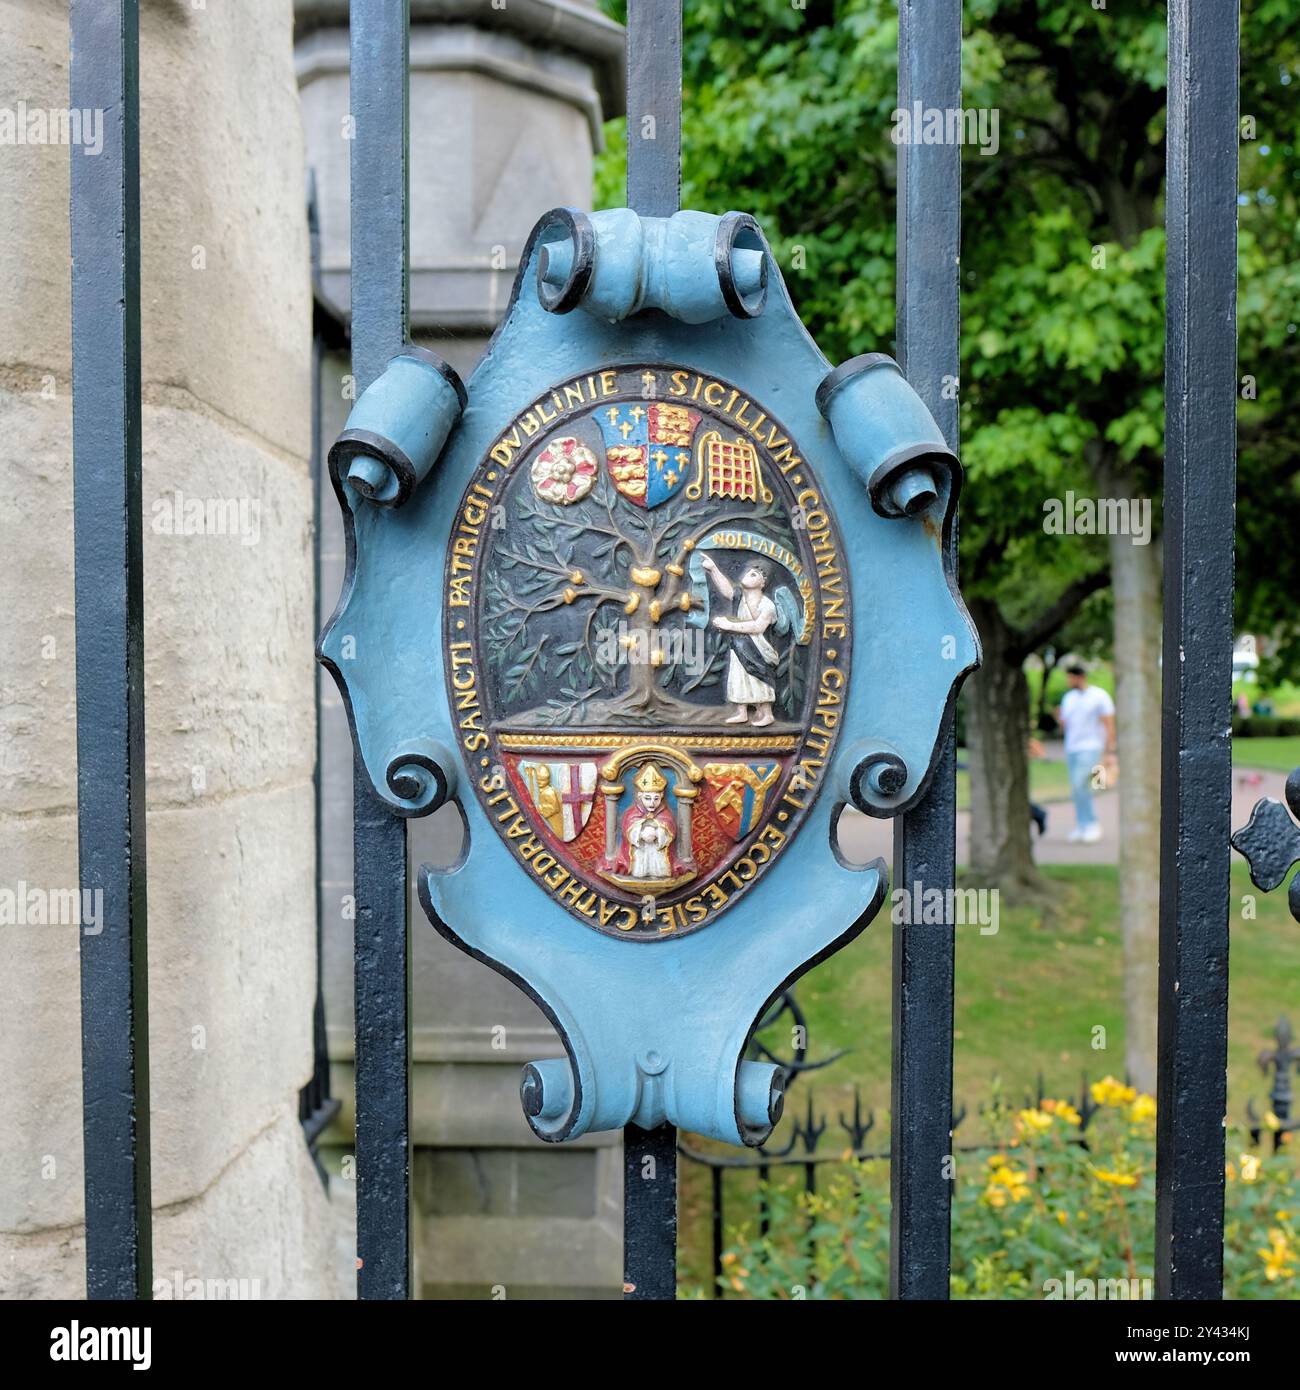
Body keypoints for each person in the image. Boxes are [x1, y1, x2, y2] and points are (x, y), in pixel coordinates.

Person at [700, 554, 778, 727]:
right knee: (738, 678)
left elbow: (758, 627)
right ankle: (741, 712)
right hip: (739, 646)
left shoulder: (767, 605)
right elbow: (727, 589)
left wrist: (729, 625)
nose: (748, 574)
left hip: (757, 649)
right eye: (748, 571)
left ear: (763, 582)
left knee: (758, 676)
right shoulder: (740, 597)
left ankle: (767, 713)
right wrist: (713, 568)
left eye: (754, 574)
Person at [1055, 664, 1117, 844]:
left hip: (1091, 747)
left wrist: (1110, 751)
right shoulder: (1069, 698)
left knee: (1080, 784)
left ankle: (1091, 824)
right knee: (1076, 788)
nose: (1068, 681)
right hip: (1072, 748)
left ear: (1079, 677)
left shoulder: (1099, 696)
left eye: (1070, 677)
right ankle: (1082, 825)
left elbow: (1108, 724)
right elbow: (1066, 725)